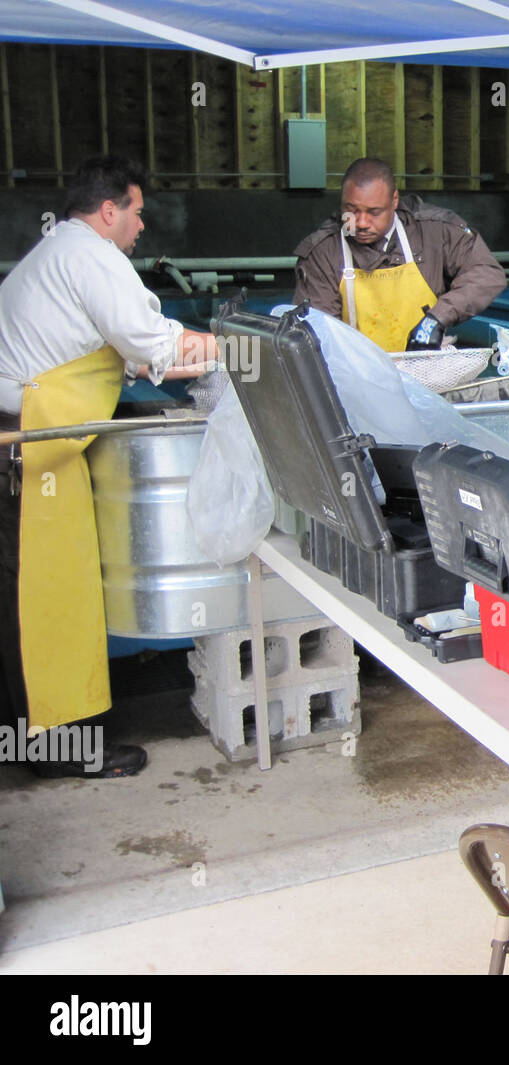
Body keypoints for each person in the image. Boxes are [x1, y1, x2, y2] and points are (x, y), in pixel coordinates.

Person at [0, 154, 212, 778]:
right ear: (110, 210)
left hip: (24, 438)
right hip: (29, 448)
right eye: (138, 213)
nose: (142, 227)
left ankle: (27, 732)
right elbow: (157, 348)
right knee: (43, 598)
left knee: (19, 597)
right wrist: (247, 348)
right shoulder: (92, 256)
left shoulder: (53, 254)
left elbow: (114, 349)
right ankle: (57, 749)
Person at [292, 157, 507, 352]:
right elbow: (319, 331)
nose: (361, 223)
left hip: (426, 367)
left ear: (394, 201)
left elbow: (486, 272)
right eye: (352, 210)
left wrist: (436, 319)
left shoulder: (433, 231)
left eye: (374, 212)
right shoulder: (323, 251)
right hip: (357, 375)